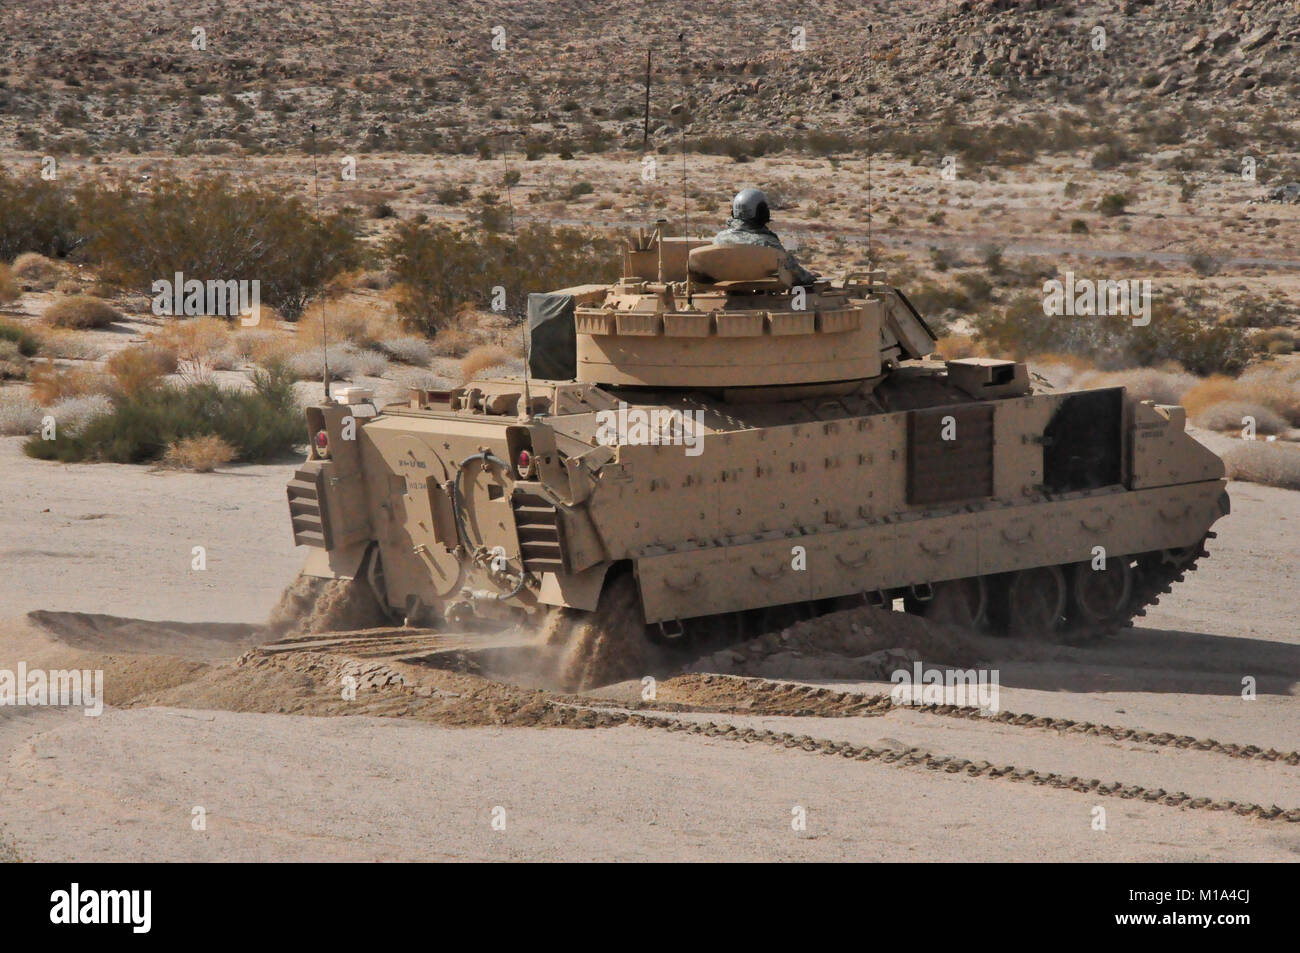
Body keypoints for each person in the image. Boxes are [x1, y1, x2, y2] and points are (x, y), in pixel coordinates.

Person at [712, 188, 818, 286]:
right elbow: (795, 273)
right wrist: (810, 277)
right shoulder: (767, 243)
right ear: (761, 212)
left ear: (733, 212)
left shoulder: (719, 239)